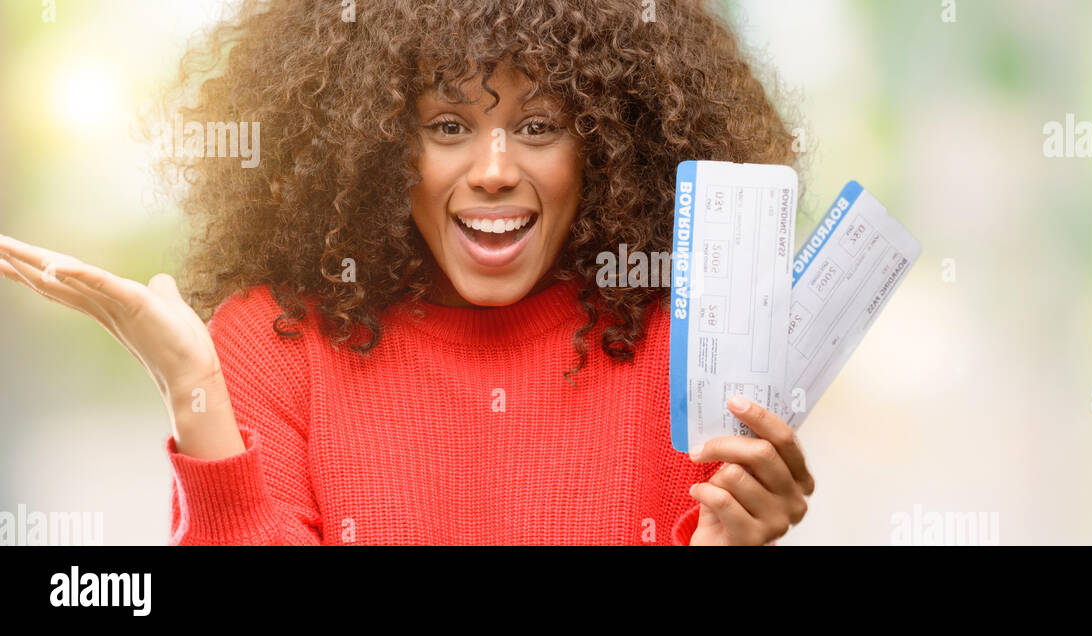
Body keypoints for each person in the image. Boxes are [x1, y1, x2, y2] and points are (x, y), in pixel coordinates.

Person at [0, 0, 813, 545]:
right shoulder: (273, 339)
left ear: (604, 142)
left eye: (537, 126)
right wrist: (192, 390)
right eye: (449, 124)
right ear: (383, 143)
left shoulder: (684, 346)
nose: (493, 170)